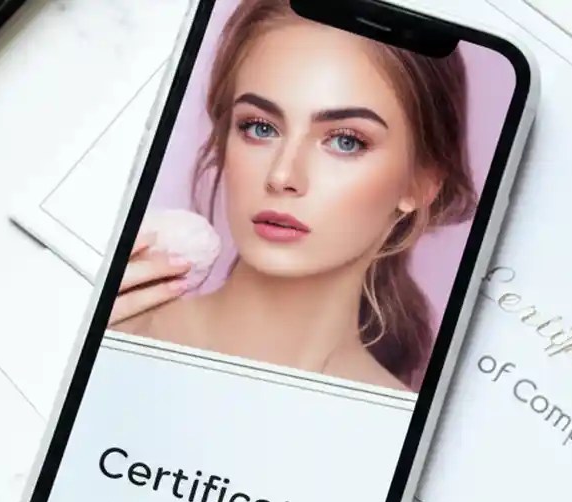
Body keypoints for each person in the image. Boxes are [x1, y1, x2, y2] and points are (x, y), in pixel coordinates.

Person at [110, 0, 477, 391]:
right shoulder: (118, 331)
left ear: (420, 184)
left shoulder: (393, 415)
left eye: (346, 141)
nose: (282, 176)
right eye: (260, 128)